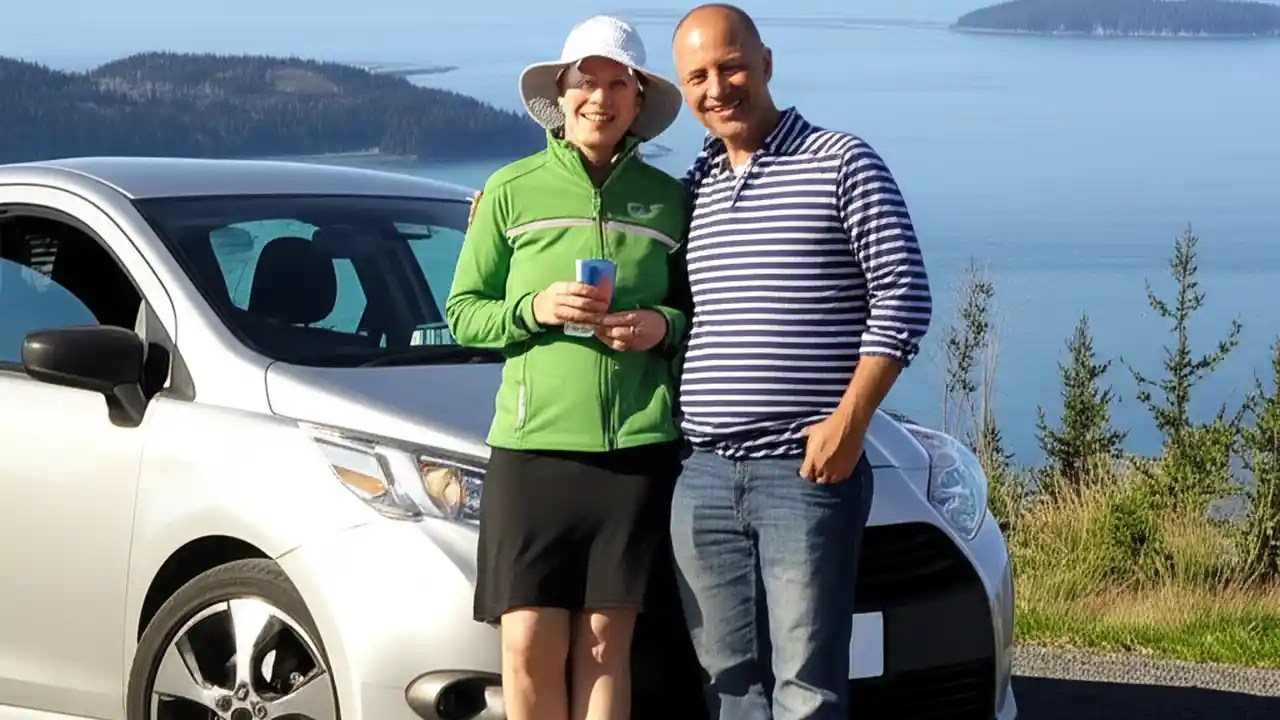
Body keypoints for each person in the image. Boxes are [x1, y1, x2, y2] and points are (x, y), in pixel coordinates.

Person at [666, 4, 933, 719]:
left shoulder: (843, 161)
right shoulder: (695, 187)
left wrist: (851, 422)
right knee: (729, 687)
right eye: (697, 76)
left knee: (807, 691)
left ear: (767, 62)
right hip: (704, 475)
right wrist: (502, 217)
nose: (716, 87)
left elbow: (903, 297)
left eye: (730, 66)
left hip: (806, 474)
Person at [444, 14, 696, 720]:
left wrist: (659, 326)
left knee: (601, 648)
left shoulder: (670, 200)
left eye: (620, 84)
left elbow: (694, 318)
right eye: (588, 80)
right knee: (526, 647)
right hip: (531, 453)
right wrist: (535, 307)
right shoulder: (510, 190)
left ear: (639, 102)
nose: (602, 98)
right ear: (562, 89)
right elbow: (464, 312)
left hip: (635, 457)